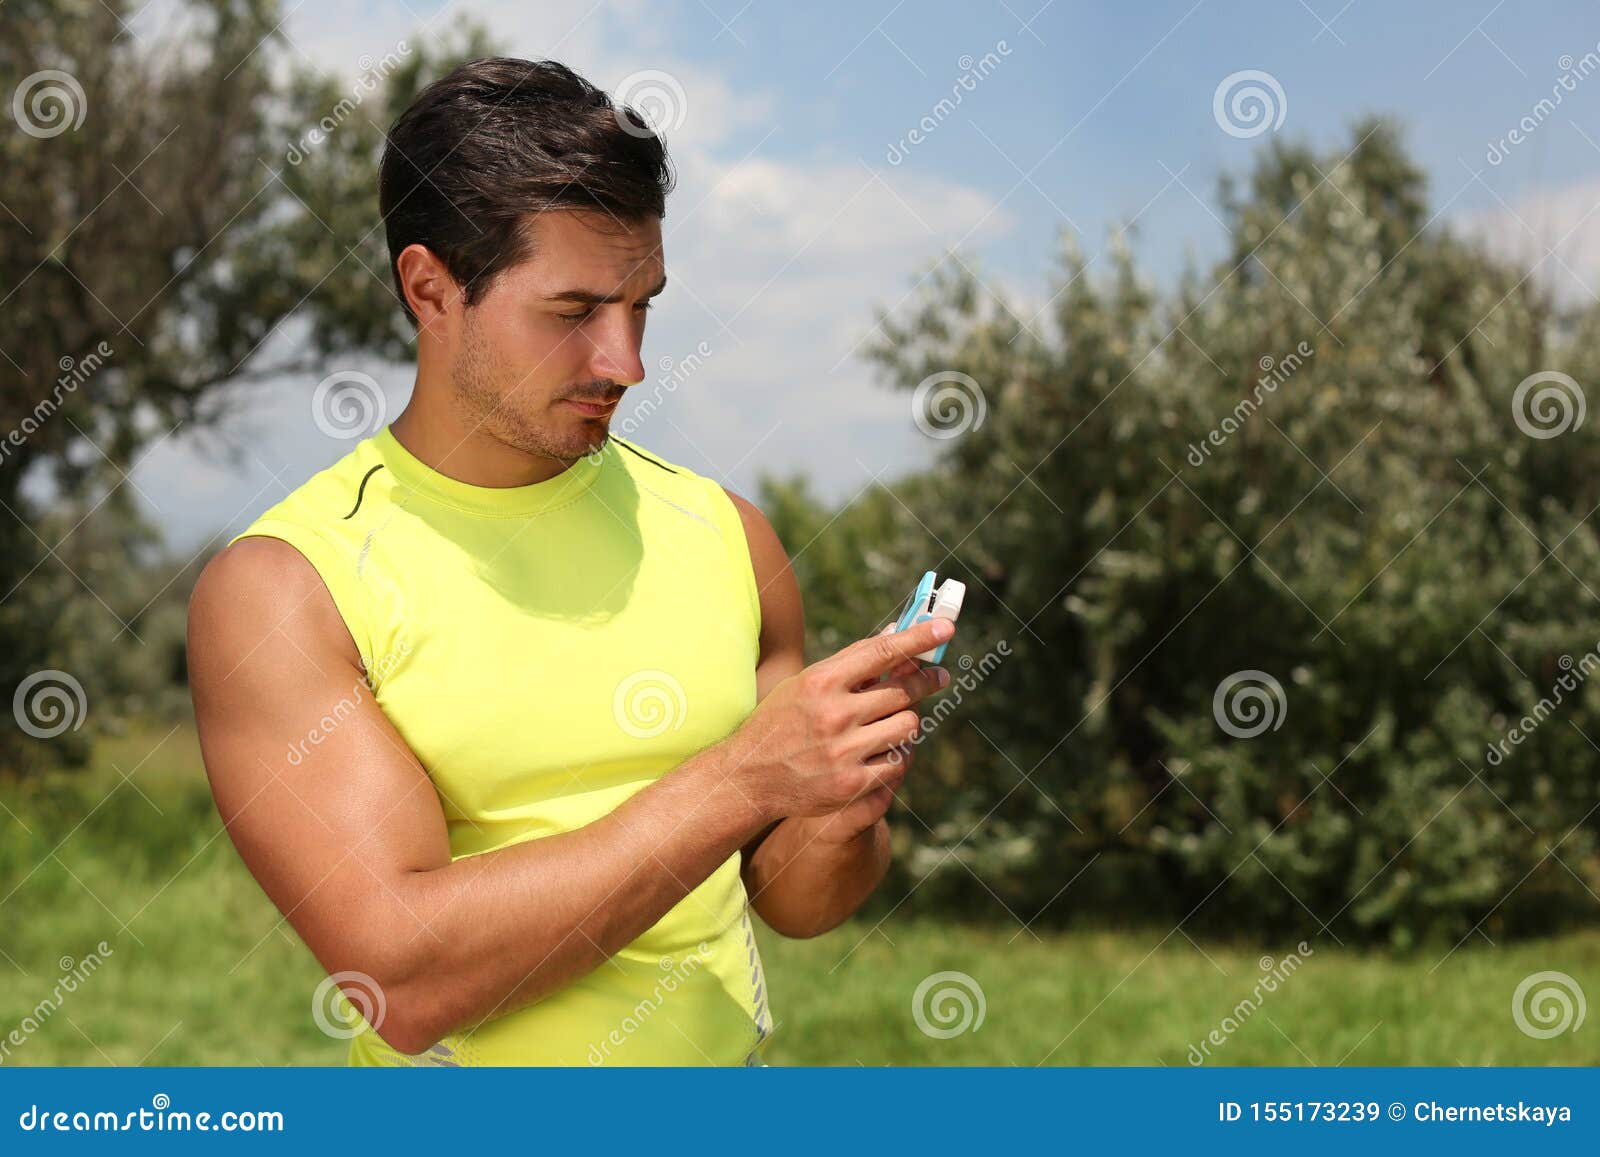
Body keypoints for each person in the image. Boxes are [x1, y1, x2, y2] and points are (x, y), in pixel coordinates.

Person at [185, 56, 955, 1066]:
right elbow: (404, 979)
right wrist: (740, 777)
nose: (625, 362)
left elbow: (799, 901)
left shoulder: (727, 534)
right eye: (574, 312)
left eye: (643, 306)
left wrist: (843, 787)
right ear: (429, 287)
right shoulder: (287, 589)